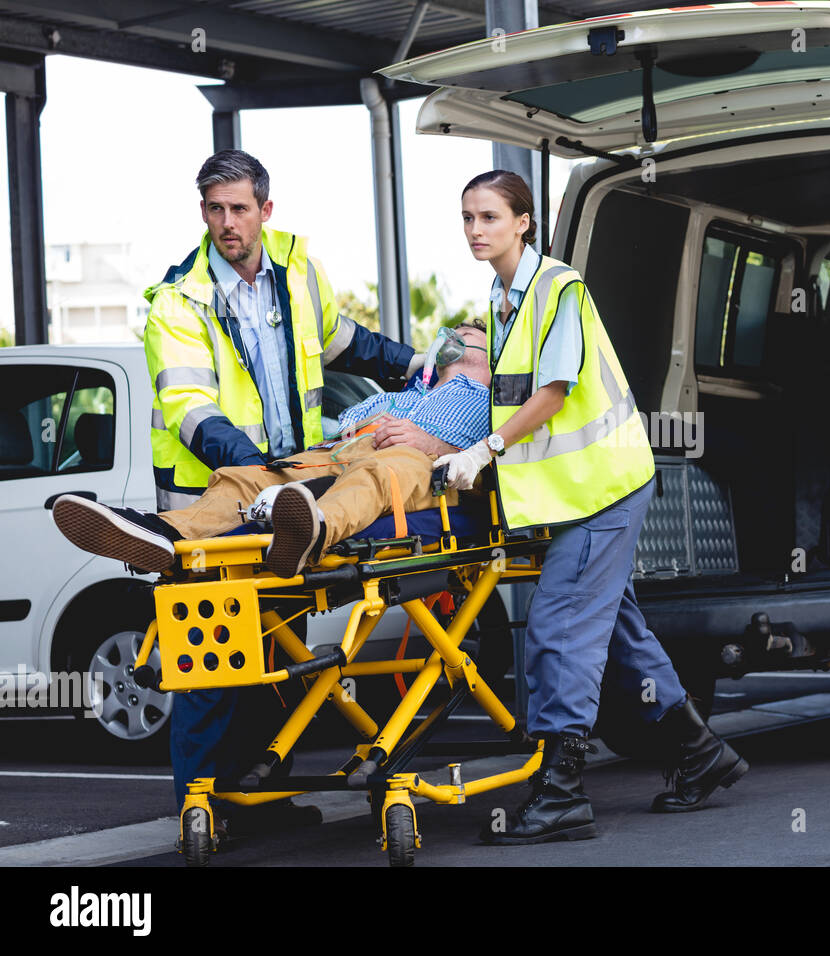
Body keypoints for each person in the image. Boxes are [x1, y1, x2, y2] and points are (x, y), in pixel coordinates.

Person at [437, 170, 748, 846]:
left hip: (602, 489)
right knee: (616, 631)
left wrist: (485, 450)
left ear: (523, 222)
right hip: (575, 492)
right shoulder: (501, 298)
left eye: (489, 217)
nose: (475, 230)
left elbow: (552, 391)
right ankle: (700, 754)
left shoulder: (558, 288)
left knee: (557, 629)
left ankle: (561, 793)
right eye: (467, 218)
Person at [126, 148, 426, 826]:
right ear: (202, 212)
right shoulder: (178, 300)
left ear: (265, 208)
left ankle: (264, 799)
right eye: (215, 209)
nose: (227, 223)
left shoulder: (299, 273)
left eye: (239, 208)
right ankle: (204, 806)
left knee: (272, 657)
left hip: (290, 503)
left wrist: (423, 365)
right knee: (211, 663)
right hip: (220, 503)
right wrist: (264, 475)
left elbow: (346, 343)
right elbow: (190, 411)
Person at [51, 321, 492, 578]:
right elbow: (351, 422)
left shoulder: (492, 399)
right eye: (447, 333)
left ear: (490, 354)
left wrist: (432, 442)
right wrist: (364, 429)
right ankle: (162, 533)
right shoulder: (403, 395)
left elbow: (489, 451)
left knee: (378, 474)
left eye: (463, 335)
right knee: (248, 478)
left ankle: (315, 529)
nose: (448, 338)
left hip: (425, 464)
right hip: (343, 452)